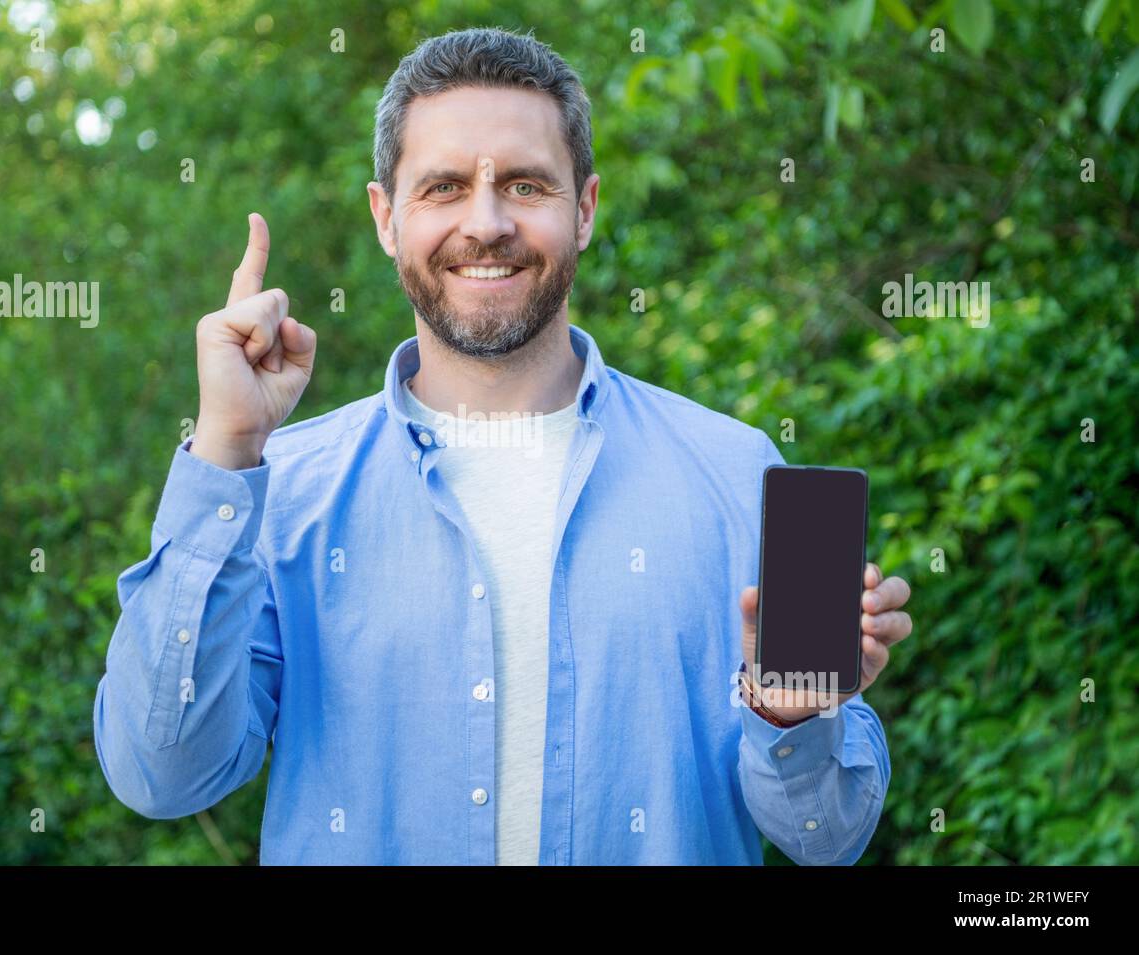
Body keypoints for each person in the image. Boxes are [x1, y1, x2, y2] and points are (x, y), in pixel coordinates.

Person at [93, 26, 913, 865]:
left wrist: (788, 712)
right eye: (444, 187)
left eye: (525, 184)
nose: (485, 224)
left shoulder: (737, 473)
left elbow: (828, 835)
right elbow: (161, 774)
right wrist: (226, 445)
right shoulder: (279, 491)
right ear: (386, 217)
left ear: (585, 208)